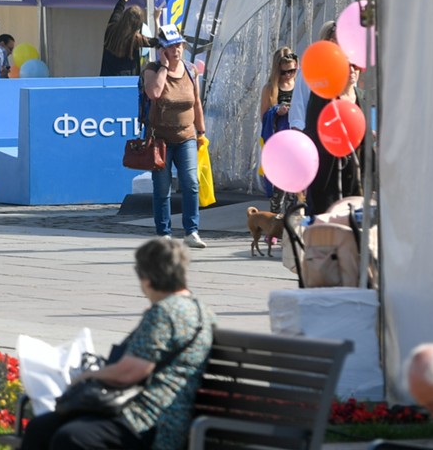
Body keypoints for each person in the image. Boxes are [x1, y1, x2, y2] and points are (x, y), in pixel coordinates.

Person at [19, 238, 213, 450]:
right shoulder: (200, 310)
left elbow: (130, 372)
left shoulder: (165, 312)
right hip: (155, 412)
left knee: (72, 438)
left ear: (147, 280)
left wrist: (87, 376)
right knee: (41, 428)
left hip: (149, 419)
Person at [142, 24, 206, 247]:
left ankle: (192, 231)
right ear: (163, 49)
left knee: (190, 183)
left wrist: (201, 132)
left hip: (187, 136)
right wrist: (163, 67)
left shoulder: (190, 70)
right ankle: (164, 233)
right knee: (162, 186)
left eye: (179, 45)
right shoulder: (151, 69)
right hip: (160, 139)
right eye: (171, 46)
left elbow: (196, 102)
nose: (177, 50)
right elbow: (154, 92)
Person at [304, 62, 363, 216]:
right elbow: (311, 131)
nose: (352, 70)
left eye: (355, 66)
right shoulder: (322, 96)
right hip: (327, 177)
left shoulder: (364, 97)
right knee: (325, 231)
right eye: (347, 65)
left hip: (357, 180)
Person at [258, 47, 299, 213]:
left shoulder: (299, 85)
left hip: (297, 142)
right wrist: (276, 111)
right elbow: (263, 116)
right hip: (279, 143)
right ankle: (273, 226)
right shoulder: (270, 88)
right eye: (284, 72)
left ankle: (289, 227)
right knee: (278, 190)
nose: (288, 75)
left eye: (292, 71)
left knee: (294, 190)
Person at [100, 4, 147, 77]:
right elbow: (159, 42)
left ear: (124, 17)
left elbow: (119, 6)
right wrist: (157, 21)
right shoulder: (137, 40)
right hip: (129, 82)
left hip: (107, 82)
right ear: (138, 25)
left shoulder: (111, 29)